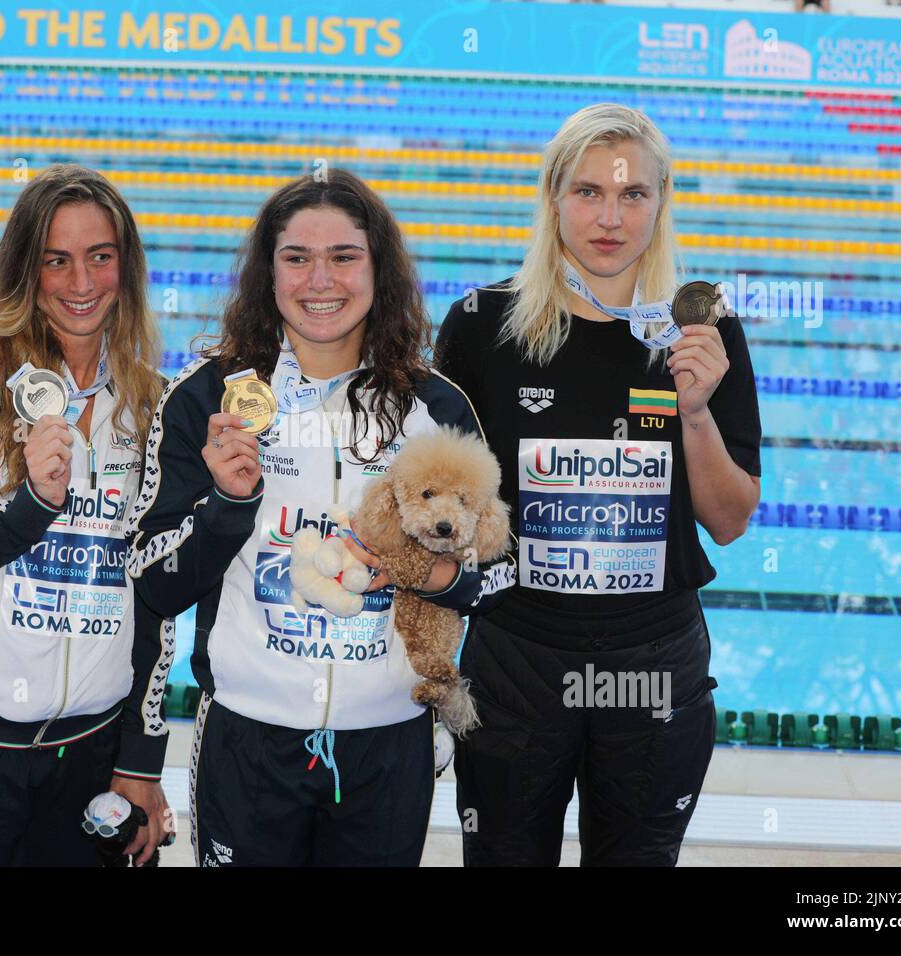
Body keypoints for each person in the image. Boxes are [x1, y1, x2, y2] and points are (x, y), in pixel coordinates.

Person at [125, 169, 513, 867]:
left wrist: (424, 569)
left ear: (378, 270)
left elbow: (501, 572)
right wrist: (228, 506)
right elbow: (152, 581)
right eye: (296, 258)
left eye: (344, 256)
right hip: (248, 737)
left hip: (388, 743)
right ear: (267, 272)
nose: (319, 280)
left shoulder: (434, 406)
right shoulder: (209, 396)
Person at [436, 103, 762, 866]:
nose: (610, 218)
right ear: (553, 199)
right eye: (588, 192)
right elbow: (433, 502)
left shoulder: (708, 335)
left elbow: (730, 519)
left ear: (660, 203)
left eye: (632, 195)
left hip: (650, 662)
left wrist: (695, 415)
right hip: (516, 657)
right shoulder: (483, 327)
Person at [0, 163, 173, 867]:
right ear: (28, 269)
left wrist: (141, 758)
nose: (81, 283)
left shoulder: (151, 403)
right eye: (57, 260)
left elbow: (156, 597)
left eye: (99, 257)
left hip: (93, 752)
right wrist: (31, 508)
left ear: (126, 266)